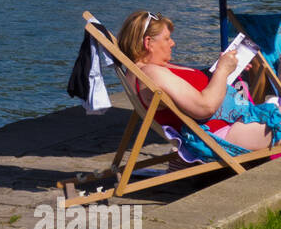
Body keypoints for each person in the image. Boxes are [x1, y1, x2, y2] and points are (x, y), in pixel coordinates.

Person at [117, 10, 273, 153]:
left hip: (231, 124)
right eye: (167, 38)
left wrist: (225, 67)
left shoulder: (145, 69)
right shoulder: (152, 73)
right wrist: (222, 70)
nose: (172, 43)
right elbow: (205, 107)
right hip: (221, 135)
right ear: (148, 43)